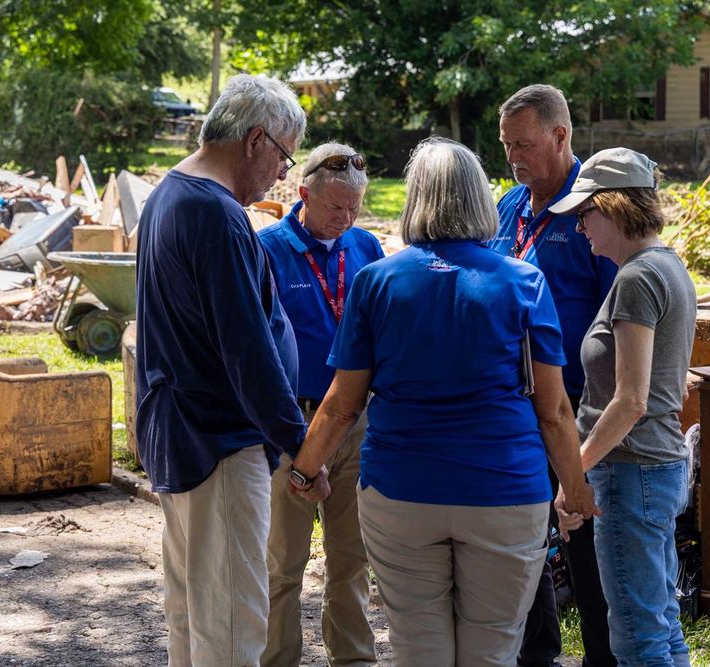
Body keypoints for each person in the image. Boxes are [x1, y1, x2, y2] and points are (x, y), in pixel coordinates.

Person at [287, 137, 598, 666]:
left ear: (415, 199)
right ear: (480, 199)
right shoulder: (524, 281)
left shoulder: (375, 282)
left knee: (418, 648)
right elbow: (554, 409)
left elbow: (343, 403)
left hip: (401, 490)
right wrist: (575, 489)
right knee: (494, 649)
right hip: (504, 490)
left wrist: (305, 471)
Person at [134, 74, 313, 666]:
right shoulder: (215, 213)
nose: (284, 175)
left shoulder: (169, 194)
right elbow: (248, 348)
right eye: (285, 156)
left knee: (194, 616)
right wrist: (298, 445)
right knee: (233, 625)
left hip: (182, 434)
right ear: (257, 140)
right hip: (219, 442)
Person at [551, 147, 696, 667]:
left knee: (636, 634)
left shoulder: (636, 277)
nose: (581, 228)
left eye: (584, 214)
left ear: (612, 207)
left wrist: (575, 472)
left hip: (630, 471)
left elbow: (631, 400)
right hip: (655, 467)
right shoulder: (667, 266)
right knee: (659, 622)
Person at [491, 83, 619, 667]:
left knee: (585, 546)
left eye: (523, 144)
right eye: (505, 145)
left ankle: (602, 656)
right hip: (512, 412)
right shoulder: (506, 208)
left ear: (561, 135)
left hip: (575, 410)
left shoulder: (594, 211)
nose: (512, 157)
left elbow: (616, 323)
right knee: (522, 549)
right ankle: (536, 656)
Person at [258, 143, 383, 667]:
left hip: (354, 419)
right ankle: (276, 658)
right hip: (294, 420)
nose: (346, 219)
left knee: (351, 557)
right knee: (282, 562)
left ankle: (353, 659)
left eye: (355, 208)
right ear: (303, 193)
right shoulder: (266, 249)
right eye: (335, 208)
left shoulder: (367, 247)